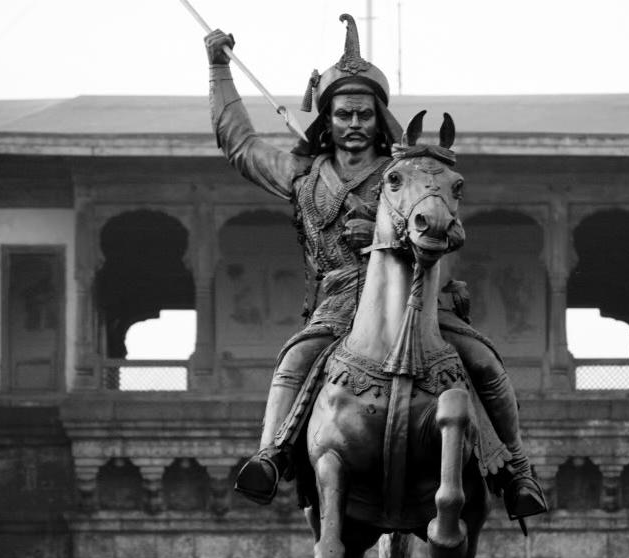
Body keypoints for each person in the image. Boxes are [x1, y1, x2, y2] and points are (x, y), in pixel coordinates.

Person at [206, 15, 546, 520]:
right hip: (337, 305)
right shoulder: (301, 175)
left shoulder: (404, 171)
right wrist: (219, 69)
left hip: (412, 300)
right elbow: (239, 145)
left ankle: (517, 471)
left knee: (485, 363)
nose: (354, 123)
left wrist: (383, 238)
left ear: (378, 118)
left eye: (364, 114)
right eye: (343, 113)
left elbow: (445, 229)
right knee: (293, 362)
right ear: (327, 119)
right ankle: (271, 455)